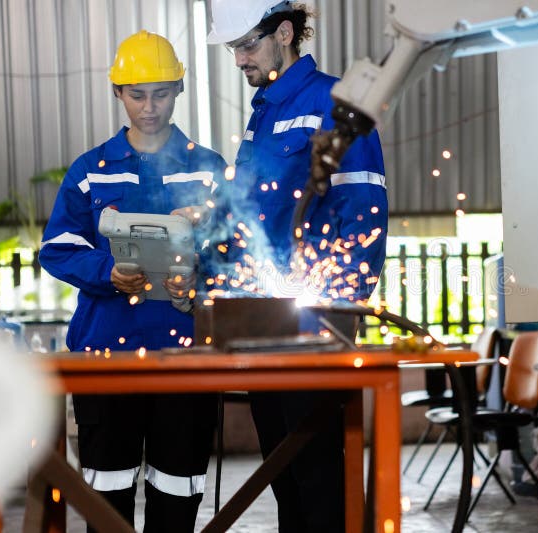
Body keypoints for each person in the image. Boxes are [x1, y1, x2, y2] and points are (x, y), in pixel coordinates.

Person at [206, 1, 388, 531]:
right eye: (233, 48)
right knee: (282, 475)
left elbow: (363, 215)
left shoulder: (334, 103)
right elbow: (250, 216)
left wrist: (336, 313)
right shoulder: (262, 114)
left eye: (247, 45)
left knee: (319, 479)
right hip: (264, 322)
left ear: (284, 33)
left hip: (314, 328)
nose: (239, 59)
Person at [39, 30, 225, 532]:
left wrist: (200, 276)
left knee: (178, 487)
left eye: (161, 93)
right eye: (137, 94)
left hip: (186, 354)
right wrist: (107, 272)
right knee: (106, 490)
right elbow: (57, 248)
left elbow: (237, 250)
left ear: (179, 89)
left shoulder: (209, 171)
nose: (149, 107)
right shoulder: (90, 171)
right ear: (118, 92)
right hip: (107, 356)